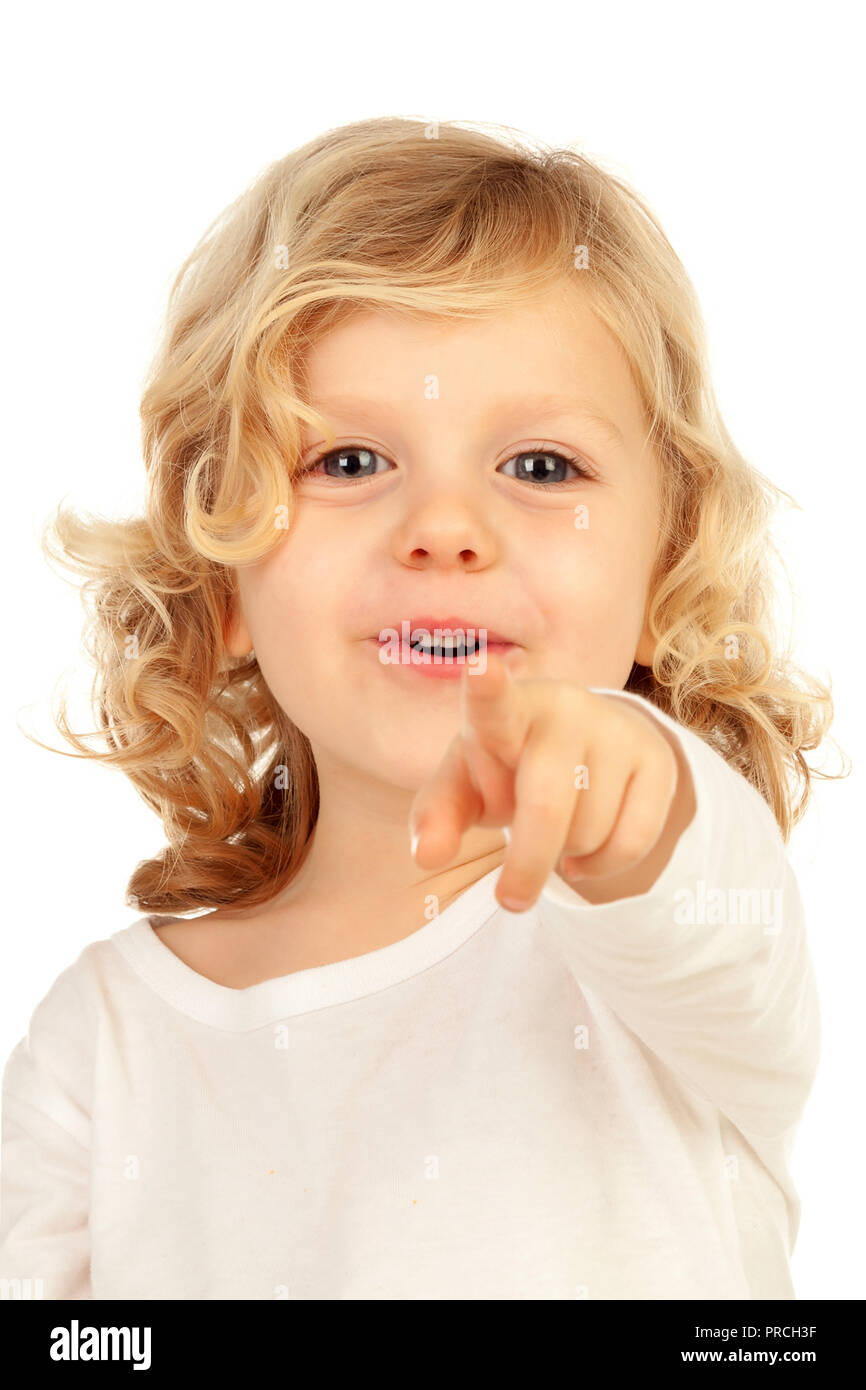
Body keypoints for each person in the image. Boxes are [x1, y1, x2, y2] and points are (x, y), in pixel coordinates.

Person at [0, 116, 843, 1300]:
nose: (444, 527)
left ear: (664, 572)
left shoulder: (669, 940)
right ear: (222, 571)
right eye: (347, 462)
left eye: (540, 467)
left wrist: (614, 782)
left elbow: (684, 855)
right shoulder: (106, 1042)